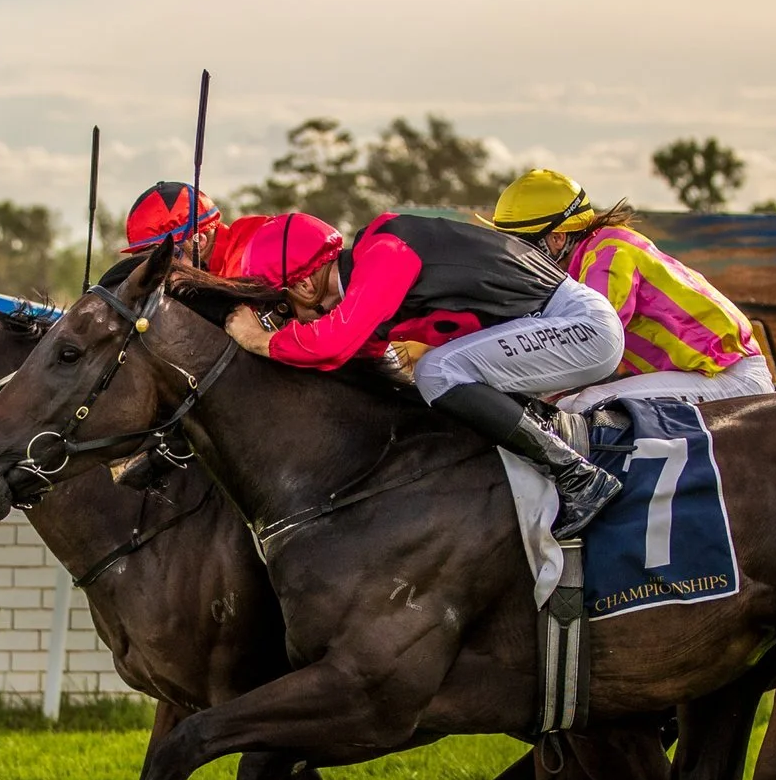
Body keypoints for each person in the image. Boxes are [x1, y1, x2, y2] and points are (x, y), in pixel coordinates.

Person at [224, 210, 626, 538]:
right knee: (438, 377)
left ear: (306, 283)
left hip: (580, 327)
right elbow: (358, 366)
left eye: (281, 302)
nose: (285, 316)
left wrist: (259, 340)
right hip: (556, 328)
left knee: (438, 369)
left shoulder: (383, 253)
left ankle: (579, 477)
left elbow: (333, 342)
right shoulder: (366, 281)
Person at [486, 168, 772, 412]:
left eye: (521, 244)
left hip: (728, 378)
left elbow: (587, 347)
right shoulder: (589, 257)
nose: (515, 255)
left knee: (584, 405)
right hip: (705, 374)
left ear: (558, 238)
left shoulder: (608, 256)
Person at [121, 182, 268, 278]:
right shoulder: (206, 273)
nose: (158, 271)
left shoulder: (255, 253)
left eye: (165, 256)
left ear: (199, 241)